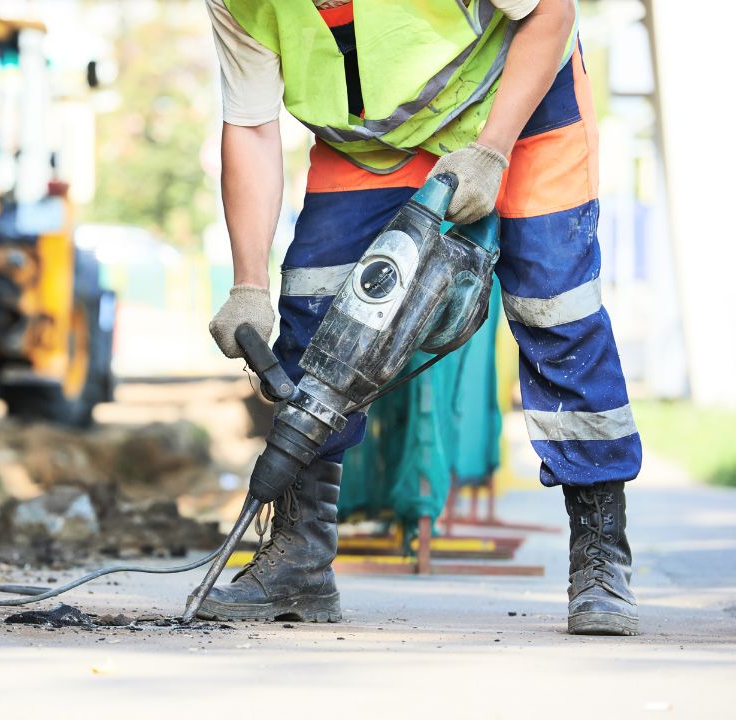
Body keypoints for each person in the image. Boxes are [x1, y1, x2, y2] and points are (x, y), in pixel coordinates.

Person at [202, 0, 642, 636]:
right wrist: (247, 283)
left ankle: (601, 560)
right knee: (315, 320)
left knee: (555, 311)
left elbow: (550, 11)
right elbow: (250, 125)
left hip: (518, 105)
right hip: (372, 144)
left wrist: (491, 150)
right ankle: (299, 558)